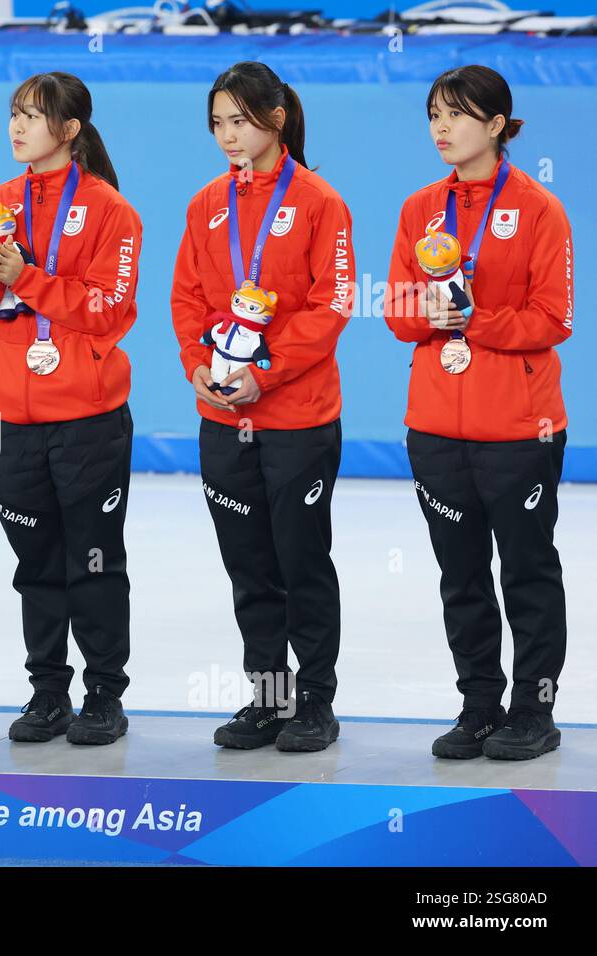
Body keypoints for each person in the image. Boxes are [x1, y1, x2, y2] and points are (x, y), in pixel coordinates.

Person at [383, 65, 573, 761]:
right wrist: (424, 313)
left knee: (526, 572)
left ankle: (535, 711)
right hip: (434, 427)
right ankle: (479, 707)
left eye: (457, 114)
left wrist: (477, 318)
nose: (440, 127)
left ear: (496, 125)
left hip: (518, 427)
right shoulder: (419, 208)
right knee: (460, 575)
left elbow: (554, 317)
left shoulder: (539, 208)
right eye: (433, 113)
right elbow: (396, 309)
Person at [0, 71, 142, 746]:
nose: (17, 127)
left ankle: (104, 696)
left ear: (70, 131)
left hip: (85, 416)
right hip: (10, 419)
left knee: (90, 559)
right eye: (13, 114)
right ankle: (46, 693)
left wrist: (28, 276)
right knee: (35, 563)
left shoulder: (110, 210)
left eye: (33, 116)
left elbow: (109, 311)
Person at [171, 61, 355, 752]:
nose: (228, 135)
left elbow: (330, 303)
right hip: (223, 415)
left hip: (297, 415)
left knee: (300, 559)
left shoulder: (318, 202)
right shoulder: (205, 204)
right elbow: (187, 296)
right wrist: (198, 364)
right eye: (218, 122)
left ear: (276, 119)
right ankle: (268, 696)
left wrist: (267, 370)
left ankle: (315, 702)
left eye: (240, 120)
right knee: (248, 563)